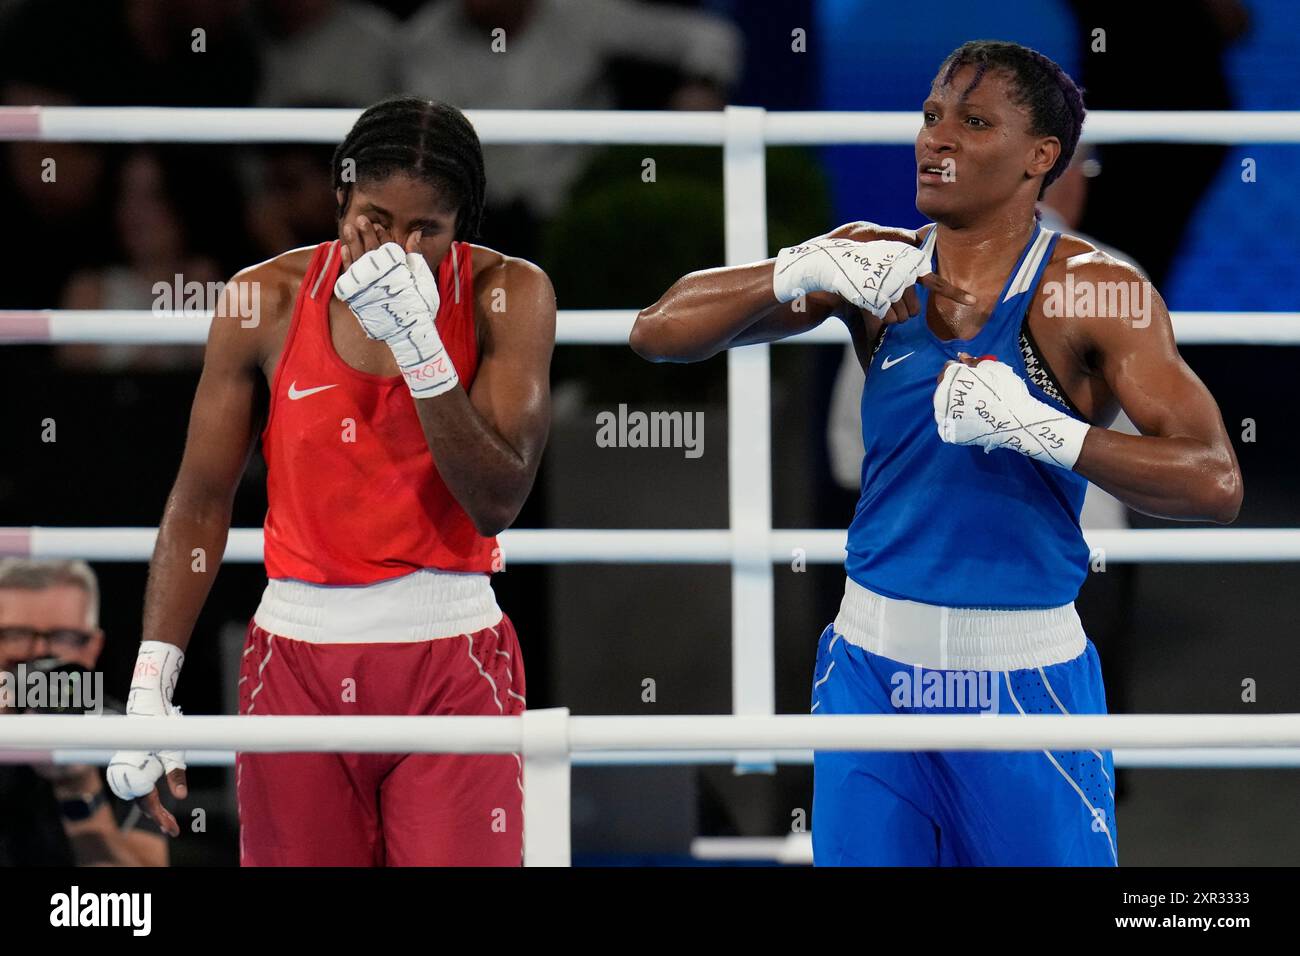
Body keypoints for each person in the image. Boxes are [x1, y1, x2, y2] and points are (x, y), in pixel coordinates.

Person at [630, 40, 1242, 866]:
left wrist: (1044, 431)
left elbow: (1215, 480)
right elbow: (656, 333)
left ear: (1042, 158)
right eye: (930, 116)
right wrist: (795, 267)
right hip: (870, 672)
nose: (936, 139)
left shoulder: (1096, 291)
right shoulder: (876, 269)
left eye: (974, 121)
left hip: (1024, 680)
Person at [107, 97, 556, 867]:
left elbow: (496, 501)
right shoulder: (264, 301)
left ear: (463, 226)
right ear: (341, 197)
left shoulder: (507, 297)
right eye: (379, 219)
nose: (402, 247)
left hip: (450, 657)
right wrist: (152, 682)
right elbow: (201, 497)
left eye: (429, 230)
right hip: (296, 660)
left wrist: (421, 348)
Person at [0, 558, 166, 866]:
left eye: (62, 637)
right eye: (16, 634)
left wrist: (78, 786)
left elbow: (131, 907)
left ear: (93, 647)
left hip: (78, 913)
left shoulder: (131, 736)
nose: (38, 653)